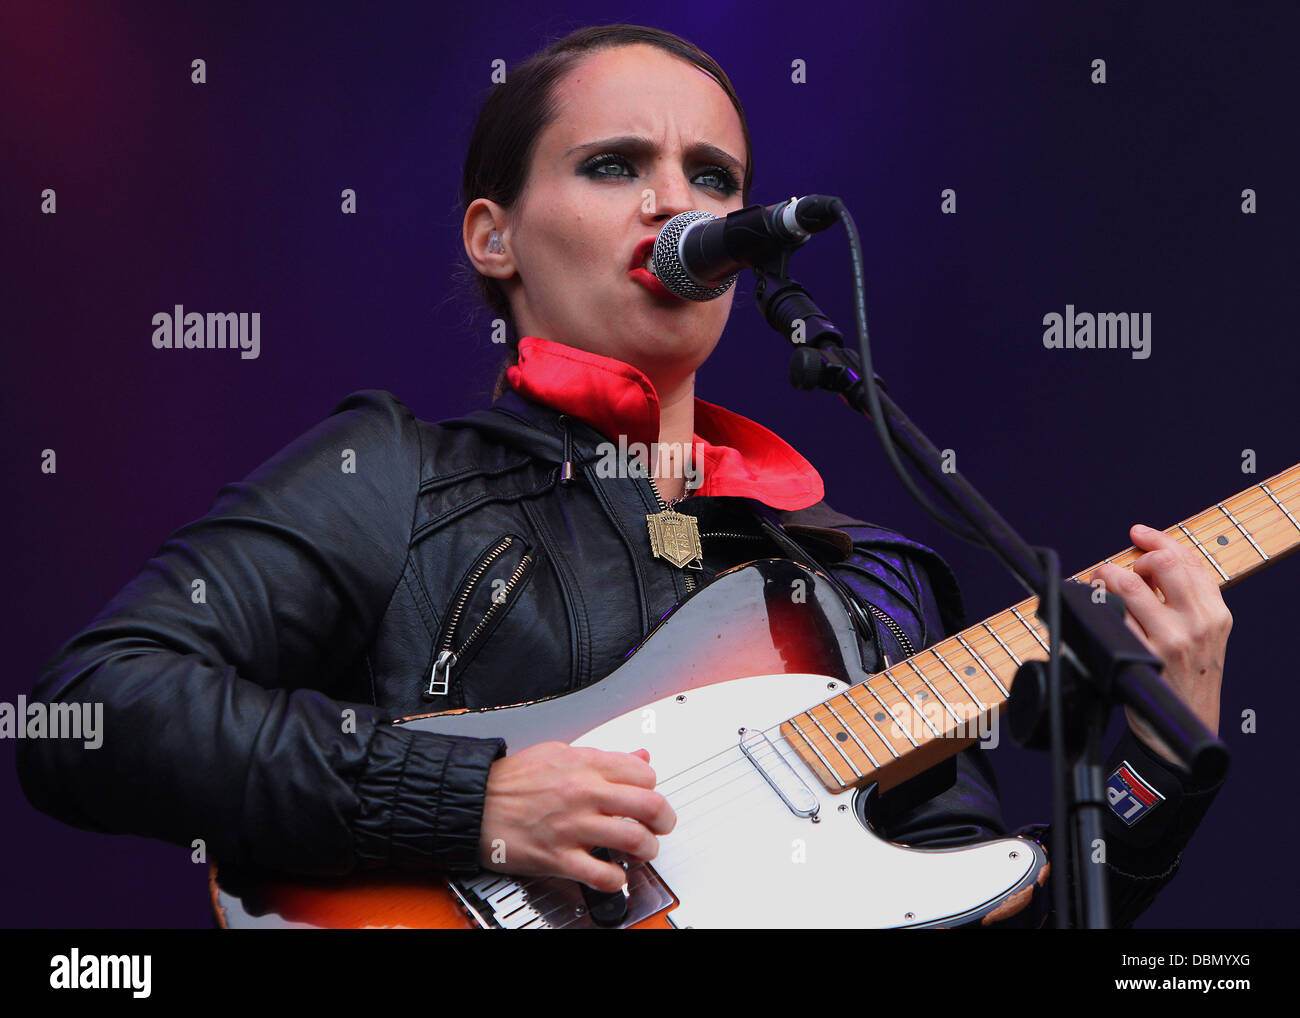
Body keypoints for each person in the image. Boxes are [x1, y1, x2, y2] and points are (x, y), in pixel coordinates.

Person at [17, 24, 1230, 927]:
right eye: (612, 165)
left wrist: (1158, 768)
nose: (673, 201)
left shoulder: (871, 580)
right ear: (493, 235)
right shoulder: (390, 472)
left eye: (712, 177)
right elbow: (96, 711)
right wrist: (470, 797)